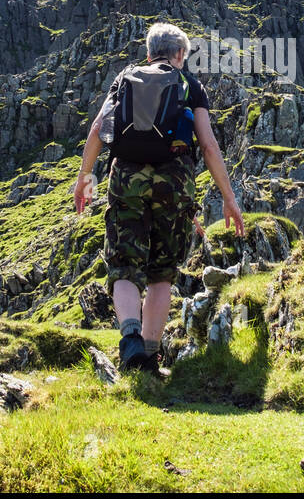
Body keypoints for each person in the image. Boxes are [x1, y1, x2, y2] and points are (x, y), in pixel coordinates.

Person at [75, 23, 244, 372]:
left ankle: (130, 338)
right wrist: (228, 198)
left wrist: (84, 180)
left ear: (149, 52)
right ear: (180, 54)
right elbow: (209, 146)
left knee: (124, 264)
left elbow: (97, 130)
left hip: (126, 180)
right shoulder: (190, 86)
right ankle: (150, 358)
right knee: (161, 273)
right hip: (175, 184)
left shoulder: (125, 79)